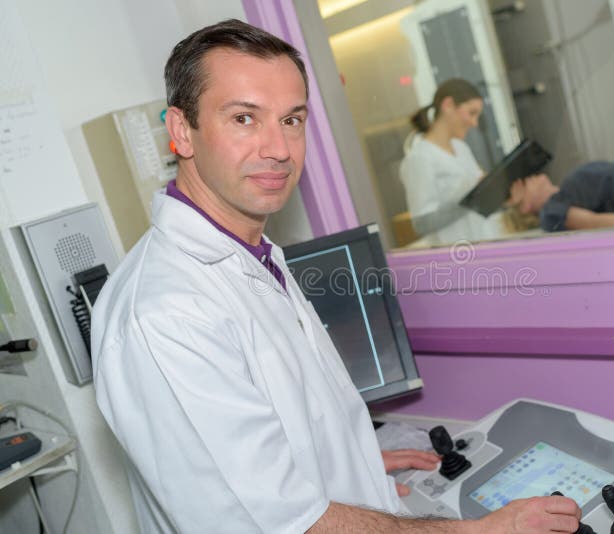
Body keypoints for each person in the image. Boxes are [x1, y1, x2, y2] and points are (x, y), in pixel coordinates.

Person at [91, 19, 581, 533]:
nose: (278, 148)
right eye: (243, 118)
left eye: (292, 120)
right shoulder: (164, 313)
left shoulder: (254, 255)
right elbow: (284, 525)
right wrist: (481, 530)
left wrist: (351, 459)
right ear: (180, 131)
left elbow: (263, 442)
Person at [399, 79, 507, 245]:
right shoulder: (419, 158)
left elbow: (478, 201)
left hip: (484, 245)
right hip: (456, 256)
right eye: (471, 113)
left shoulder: (461, 148)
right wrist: (470, 199)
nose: (474, 123)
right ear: (448, 105)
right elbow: (421, 224)